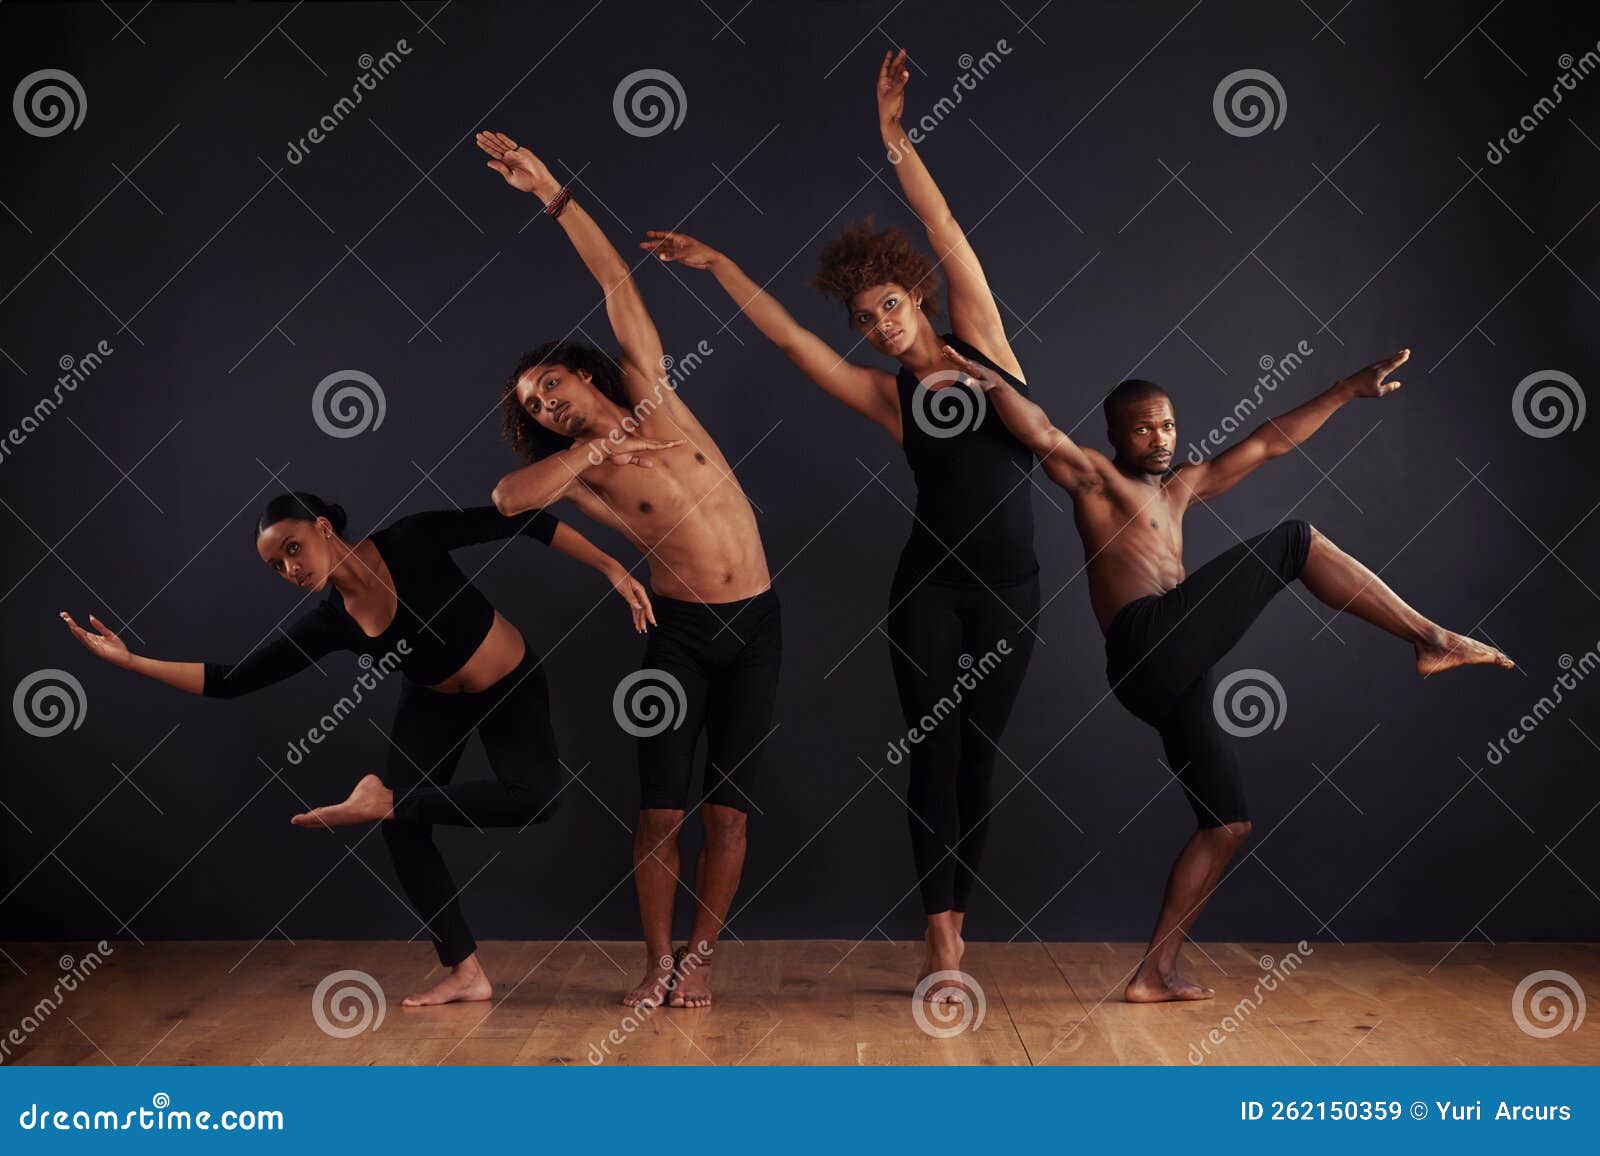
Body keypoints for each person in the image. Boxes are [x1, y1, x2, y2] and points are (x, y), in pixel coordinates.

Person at [641, 49, 1038, 1001]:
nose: (881, 326)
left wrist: (894, 137)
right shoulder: (889, 399)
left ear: (917, 296)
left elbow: (942, 225)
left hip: (1014, 590)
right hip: (929, 590)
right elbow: (788, 338)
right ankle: (940, 939)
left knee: (980, 762)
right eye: (865, 320)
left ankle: (960, 916)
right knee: (935, 752)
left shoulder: (984, 339)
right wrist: (720, 265)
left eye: (890, 307)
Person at [942, 343, 1514, 1002]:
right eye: (1142, 428)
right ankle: (1430, 638)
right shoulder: (1097, 480)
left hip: (1175, 668)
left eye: (1167, 425)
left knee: (1226, 823)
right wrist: (990, 385)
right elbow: (1040, 432)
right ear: (1115, 435)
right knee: (1296, 541)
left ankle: (1153, 973)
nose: (1159, 439)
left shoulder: (1181, 486)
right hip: (1144, 642)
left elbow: (1267, 445)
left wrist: (1343, 391)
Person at [60, 491, 648, 1007]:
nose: (288, 568)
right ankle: (465, 974)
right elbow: (233, 679)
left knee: (535, 798)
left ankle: (384, 800)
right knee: (401, 827)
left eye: (292, 548)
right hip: (435, 701)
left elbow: (525, 518)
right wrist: (132, 660)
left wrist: (611, 567)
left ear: (322, 527)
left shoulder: (411, 538)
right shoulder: (329, 621)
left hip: (511, 683)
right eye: (274, 565)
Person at [477, 130, 780, 1010]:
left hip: (759, 622)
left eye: (550, 387)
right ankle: (654, 961)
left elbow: (617, 282)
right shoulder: (584, 471)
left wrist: (551, 192)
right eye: (536, 409)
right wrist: (591, 450)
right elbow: (505, 500)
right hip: (682, 634)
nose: (547, 404)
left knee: (730, 813)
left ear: (577, 372)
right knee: (661, 811)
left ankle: (702, 956)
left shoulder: (653, 389)